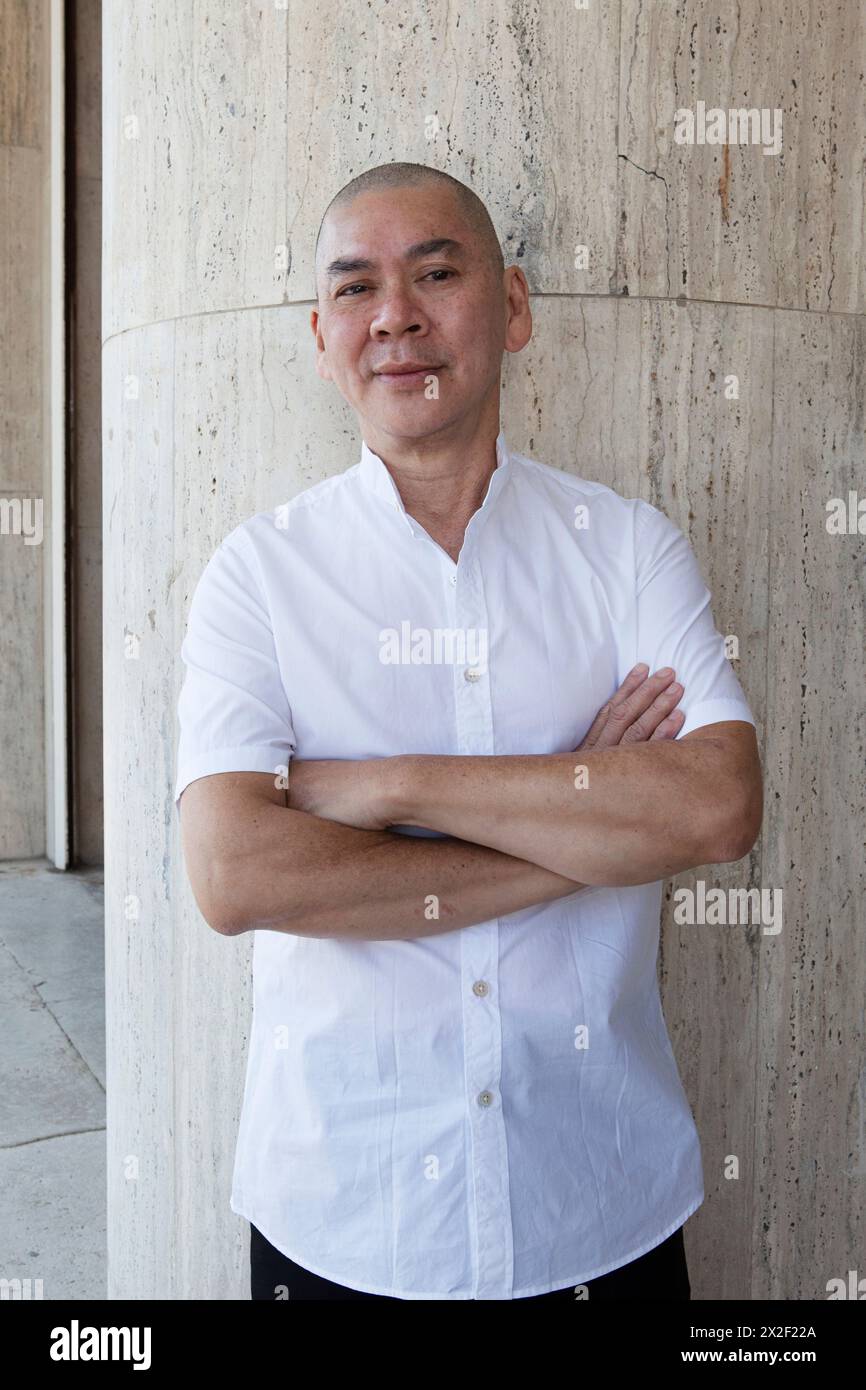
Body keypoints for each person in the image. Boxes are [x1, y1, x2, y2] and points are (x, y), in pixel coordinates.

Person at [174, 161, 763, 1301]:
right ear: (319, 335)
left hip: (598, 1202)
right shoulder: (257, 575)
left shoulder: (626, 549)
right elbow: (235, 873)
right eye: (355, 288)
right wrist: (582, 818)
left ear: (514, 306)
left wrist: (387, 786)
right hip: (348, 1213)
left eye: (435, 272)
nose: (395, 313)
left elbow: (714, 807)